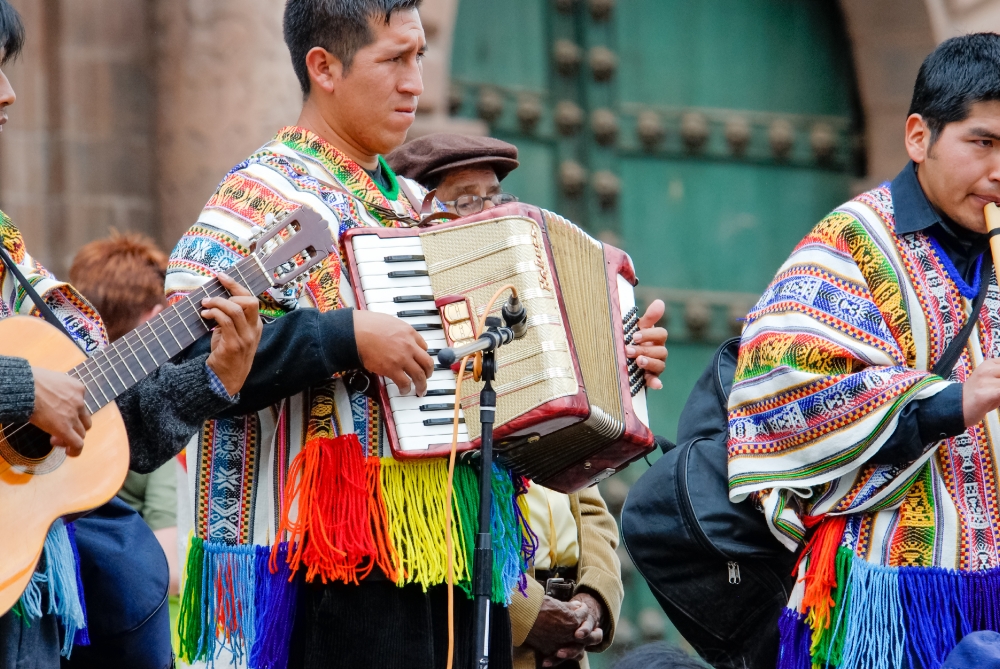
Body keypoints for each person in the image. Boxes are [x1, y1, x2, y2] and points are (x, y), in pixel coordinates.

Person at [166, 3, 667, 669]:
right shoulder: (261, 192)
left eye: (420, 56)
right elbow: (187, 360)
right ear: (325, 68)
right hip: (334, 564)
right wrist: (344, 336)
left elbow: (496, 371)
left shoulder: (414, 204)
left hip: (453, 554)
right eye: (393, 60)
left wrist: (615, 358)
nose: (415, 83)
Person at [0, 3, 263, 667]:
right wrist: (24, 387)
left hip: (34, 597)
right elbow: (36, 394)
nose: (8, 94)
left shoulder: (6, 248)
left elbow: (110, 436)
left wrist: (212, 379)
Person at [726, 32, 1000, 668]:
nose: (998, 170)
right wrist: (956, 400)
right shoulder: (849, 242)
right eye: (983, 142)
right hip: (880, 601)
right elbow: (780, 401)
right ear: (917, 137)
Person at [388, 133, 669, 669]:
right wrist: (527, 616)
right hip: (489, 635)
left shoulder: (528, 328)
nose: (489, 213)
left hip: (568, 639)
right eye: (465, 200)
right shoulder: (422, 346)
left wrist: (594, 599)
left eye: (494, 197)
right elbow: (426, 514)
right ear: (420, 217)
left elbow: (583, 491)